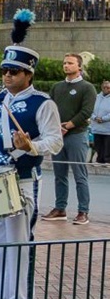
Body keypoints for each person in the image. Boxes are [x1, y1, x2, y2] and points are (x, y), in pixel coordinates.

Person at [0, 11, 62, 299]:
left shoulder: (42, 103)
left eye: (14, 71)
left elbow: (55, 141)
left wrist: (30, 146)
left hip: (20, 181)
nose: (7, 76)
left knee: (19, 242)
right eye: (5, 70)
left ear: (29, 74)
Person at [45, 52, 94, 223]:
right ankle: (60, 209)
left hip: (76, 136)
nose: (66, 66)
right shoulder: (57, 87)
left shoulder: (87, 87)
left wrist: (67, 126)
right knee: (59, 174)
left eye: (70, 63)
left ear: (79, 66)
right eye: (64, 63)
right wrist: (55, 127)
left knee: (80, 175)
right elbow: (49, 108)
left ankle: (83, 211)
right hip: (58, 137)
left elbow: (86, 112)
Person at [92, 79, 110, 164]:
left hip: (108, 129)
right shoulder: (96, 97)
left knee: (107, 147)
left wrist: (103, 118)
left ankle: (107, 161)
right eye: (104, 87)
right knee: (98, 146)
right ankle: (99, 161)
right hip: (96, 127)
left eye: (108, 87)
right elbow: (90, 110)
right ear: (101, 87)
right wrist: (95, 118)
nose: (106, 88)